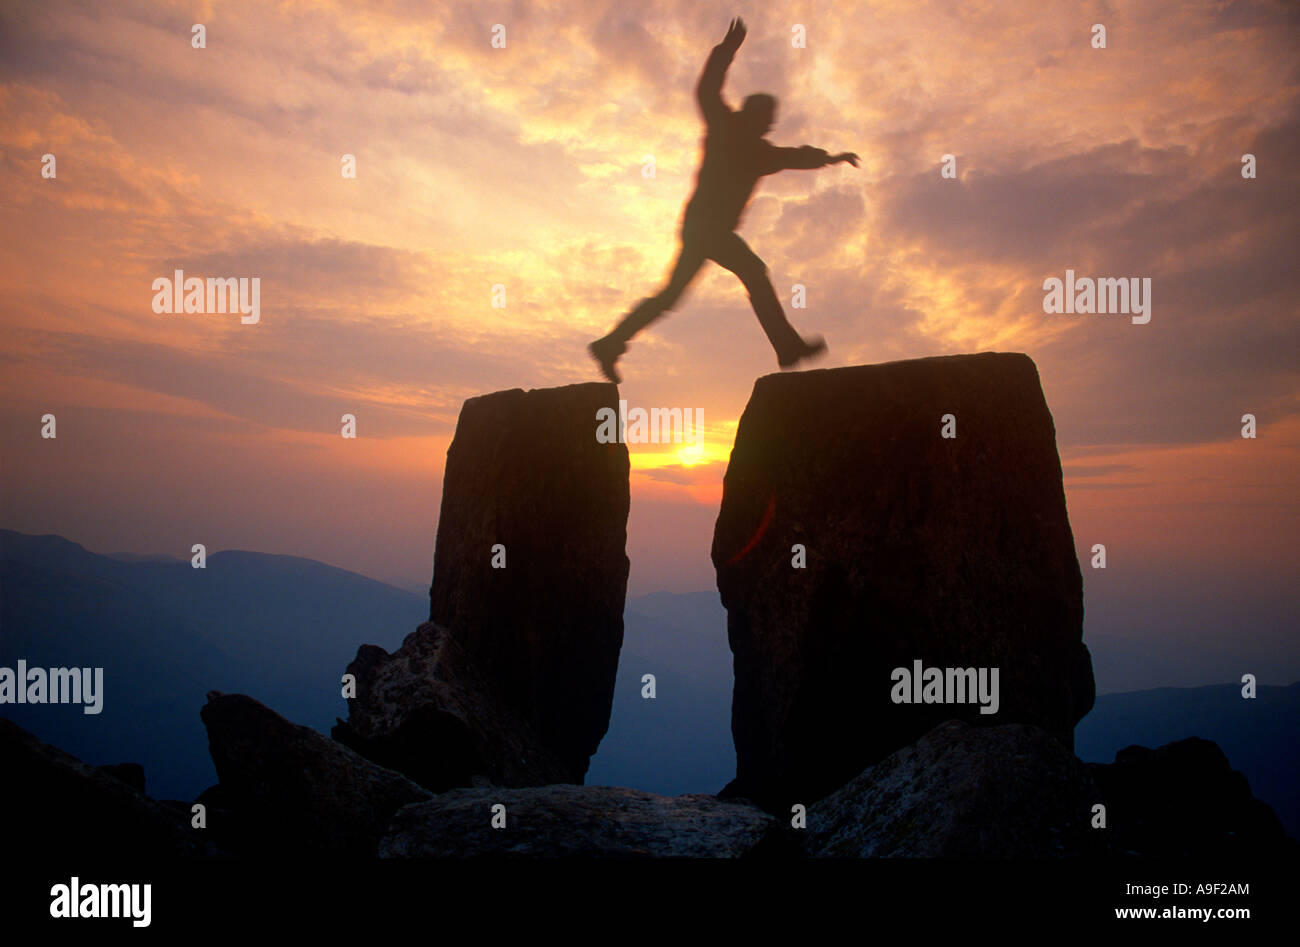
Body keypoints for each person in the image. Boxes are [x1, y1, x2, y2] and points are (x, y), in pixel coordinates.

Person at [589, 17, 859, 384]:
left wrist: (830, 158)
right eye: (767, 121)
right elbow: (708, 91)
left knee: (671, 296)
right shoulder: (728, 128)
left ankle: (610, 343)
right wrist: (726, 50)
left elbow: (794, 155)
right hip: (706, 227)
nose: (769, 127)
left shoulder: (754, 147)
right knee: (752, 273)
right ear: (754, 116)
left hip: (699, 227)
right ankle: (787, 346)